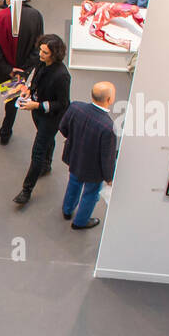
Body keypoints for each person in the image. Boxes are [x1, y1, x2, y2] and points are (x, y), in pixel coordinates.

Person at [13, 35, 71, 205]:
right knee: (47, 139)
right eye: (41, 50)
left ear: (54, 54)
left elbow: (62, 103)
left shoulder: (62, 76)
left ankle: (26, 190)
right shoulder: (41, 63)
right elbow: (36, 81)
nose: (40, 54)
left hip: (50, 118)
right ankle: (47, 164)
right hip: (38, 112)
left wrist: (37, 105)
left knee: (37, 152)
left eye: (45, 52)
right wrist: (28, 91)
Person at [0, 0, 43, 144]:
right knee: (11, 101)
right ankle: (6, 133)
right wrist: (22, 70)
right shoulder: (35, 16)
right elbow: (37, 49)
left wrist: (8, 69)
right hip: (20, 70)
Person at [58, 80, 118, 230]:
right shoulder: (108, 127)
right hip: (93, 169)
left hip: (75, 157)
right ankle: (80, 222)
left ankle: (67, 210)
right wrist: (109, 177)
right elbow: (107, 157)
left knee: (73, 183)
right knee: (90, 194)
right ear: (109, 100)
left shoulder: (75, 107)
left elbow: (63, 127)